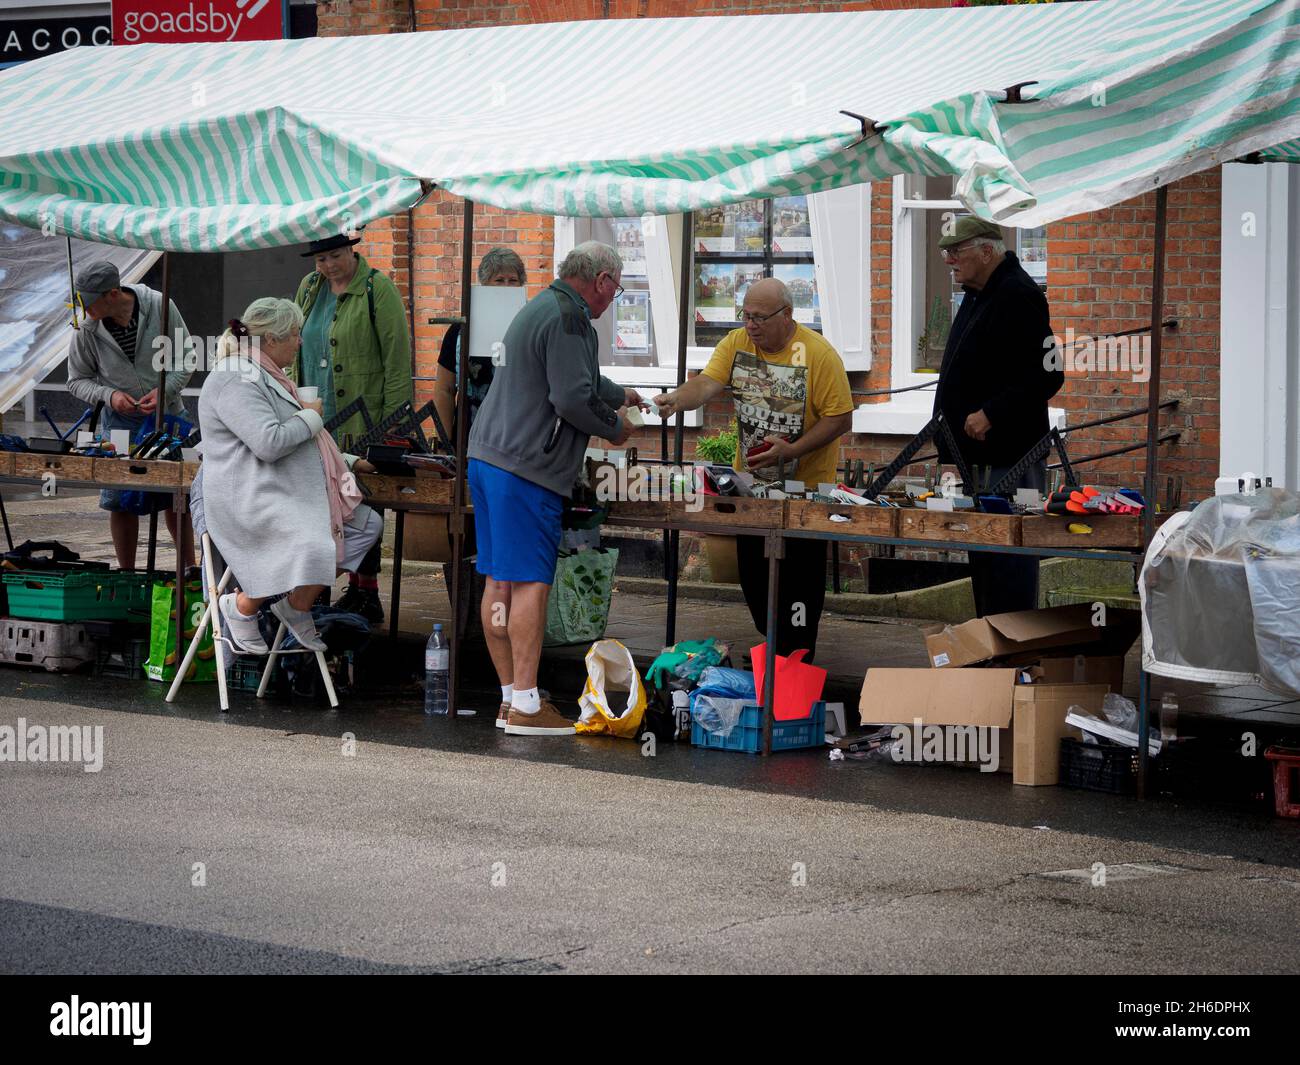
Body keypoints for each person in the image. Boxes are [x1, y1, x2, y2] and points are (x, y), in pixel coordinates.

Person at [468, 241, 642, 736]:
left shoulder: (544, 306)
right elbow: (569, 396)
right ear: (602, 281)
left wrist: (618, 393)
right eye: (616, 287)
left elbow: (574, 378)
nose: (613, 298)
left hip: (489, 459)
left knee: (498, 580)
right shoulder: (570, 318)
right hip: (527, 468)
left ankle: (508, 698)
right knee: (529, 583)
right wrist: (614, 425)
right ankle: (526, 704)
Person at [655, 277, 853, 660]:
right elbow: (708, 383)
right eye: (746, 316)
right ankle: (775, 645)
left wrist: (792, 449)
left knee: (799, 587)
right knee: (754, 580)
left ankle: (793, 659)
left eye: (760, 318)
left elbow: (840, 419)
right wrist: (677, 399)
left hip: (804, 494)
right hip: (749, 491)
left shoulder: (818, 354)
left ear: (787, 315)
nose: (751, 326)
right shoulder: (736, 344)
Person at [197, 298, 383, 655]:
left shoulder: (270, 374)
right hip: (252, 497)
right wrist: (312, 416)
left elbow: (301, 442)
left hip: (287, 491)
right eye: (295, 335)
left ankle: (295, 606)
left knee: (365, 526)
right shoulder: (235, 376)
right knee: (312, 545)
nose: (300, 343)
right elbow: (270, 441)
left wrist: (349, 460)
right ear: (270, 340)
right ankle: (241, 607)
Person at [931, 216, 1064, 617]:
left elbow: (1049, 372)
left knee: (1008, 555)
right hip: (978, 456)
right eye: (946, 252)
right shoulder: (979, 292)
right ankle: (991, 648)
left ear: (987, 251)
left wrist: (991, 413)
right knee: (985, 556)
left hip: (1011, 457)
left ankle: (1013, 653)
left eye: (957, 251)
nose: (949, 260)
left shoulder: (1018, 294)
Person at [294, 232, 413, 624]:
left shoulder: (378, 289)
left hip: (365, 420)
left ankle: (366, 591)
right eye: (321, 259)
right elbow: (295, 348)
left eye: (335, 255)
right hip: (316, 418)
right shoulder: (309, 288)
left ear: (351, 250)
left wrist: (392, 427)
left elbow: (397, 365)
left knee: (360, 500)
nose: (328, 265)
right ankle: (318, 588)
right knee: (317, 504)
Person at [67, 260, 196, 571]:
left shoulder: (159, 305)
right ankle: (126, 575)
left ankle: (189, 573)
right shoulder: (85, 328)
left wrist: (166, 390)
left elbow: (187, 355)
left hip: (168, 417)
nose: (83, 310)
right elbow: (76, 380)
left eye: (88, 302)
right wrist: (109, 396)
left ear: (113, 293)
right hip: (119, 425)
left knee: (178, 495)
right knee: (119, 499)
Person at [433, 246, 527, 440]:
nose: (506, 287)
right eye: (499, 280)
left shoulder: (532, 328)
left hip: (517, 438)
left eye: (513, 281)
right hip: (468, 433)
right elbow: (445, 389)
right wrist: (443, 442)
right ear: (485, 285)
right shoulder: (461, 330)